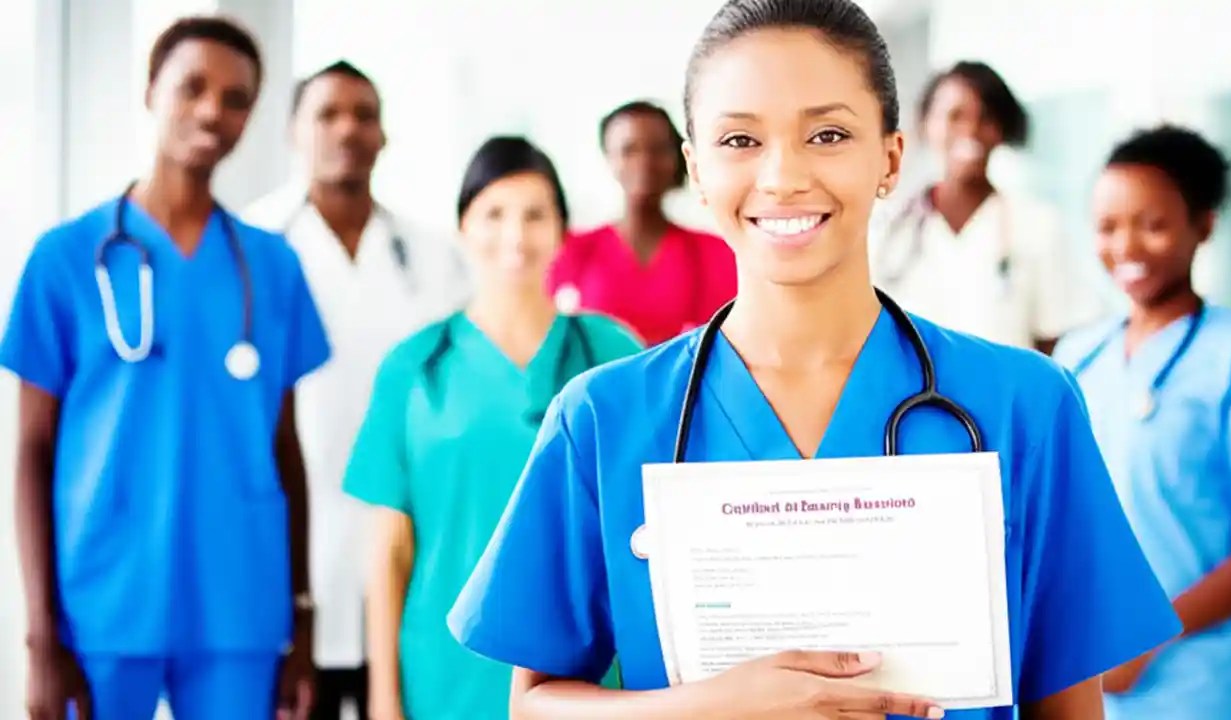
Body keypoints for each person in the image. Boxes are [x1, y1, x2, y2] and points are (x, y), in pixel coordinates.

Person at [446, 1, 1182, 718]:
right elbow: (535, 703)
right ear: (696, 169)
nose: (783, 176)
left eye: (827, 134)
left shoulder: (1025, 406)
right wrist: (711, 708)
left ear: (891, 158)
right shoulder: (603, 419)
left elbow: (1070, 706)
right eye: (740, 141)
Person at [2, 16, 327, 720]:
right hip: (102, 605)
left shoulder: (271, 268)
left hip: (239, 602)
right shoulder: (65, 260)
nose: (213, 110)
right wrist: (38, 638)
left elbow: (285, 450)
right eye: (193, 88)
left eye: (237, 98)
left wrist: (302, 619)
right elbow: (31, 451)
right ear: (152, 91)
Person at [343, 136, 643, 720]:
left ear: (561, 230)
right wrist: (382, 698)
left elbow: (644, 520)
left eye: (535, 215)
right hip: (444, 665)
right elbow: (387, 551)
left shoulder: (612, 353)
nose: (515, 235)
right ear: (462, 227)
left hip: (585, 666)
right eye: (494, 214)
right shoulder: (415, 366)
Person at [242, 59, 469, 720]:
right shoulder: (253, 246)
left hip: (403, 543)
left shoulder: (432, 255)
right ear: (292, 132)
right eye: (327, 113)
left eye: (364, 115)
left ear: (384, 135)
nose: (348, 128)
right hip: (284, 544)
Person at [1053, 126, 1231, 720]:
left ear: (1203, 225)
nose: (1126, 246)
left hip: (1203, 684)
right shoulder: (1077, 358)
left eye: (1152, 224)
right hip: (1086, 677)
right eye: (1107, 227)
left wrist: (1151, 636)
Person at [868, 61, 1100, 353]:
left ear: (1003, 129)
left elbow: (1056, 344)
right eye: (955, 116)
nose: (971, 130)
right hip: (907, 398)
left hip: (1003, 399)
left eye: (986, 118)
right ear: (927, 124)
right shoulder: (885, 227)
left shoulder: (1037, 225)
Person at [548, 100, 737, 346]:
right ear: (608, 158)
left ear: (680, 156)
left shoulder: (715, 253)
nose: (644, 162)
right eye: (629, 150)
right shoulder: (571, 251)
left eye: (657, 149)